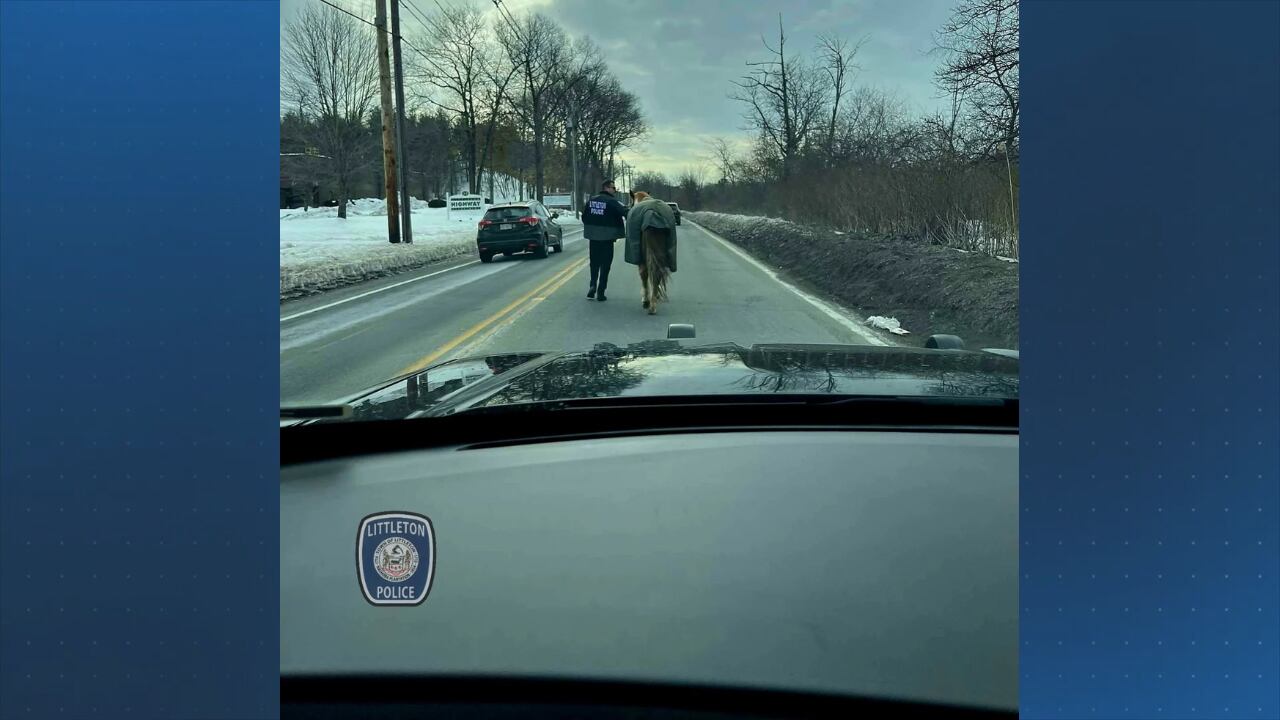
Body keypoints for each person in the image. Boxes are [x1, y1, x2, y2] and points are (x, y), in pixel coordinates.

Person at [624, 191, 678, 315]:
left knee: (635, 239)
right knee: (658, 261)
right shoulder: (663, 207)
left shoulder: (637, 208)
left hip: (642, 225)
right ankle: (654, 298)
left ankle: (646, 292)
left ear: (634, 199)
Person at [581, 179, 628, 301]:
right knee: (605, 266)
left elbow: (584, 217)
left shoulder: (591, 200)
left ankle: (592, 285)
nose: (615, 190)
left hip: (594, 238)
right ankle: (601, 292)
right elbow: (625, 213)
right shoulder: (612, 202)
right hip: (607, 239)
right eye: (613, 188)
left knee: (594, 264)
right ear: (607, 188)